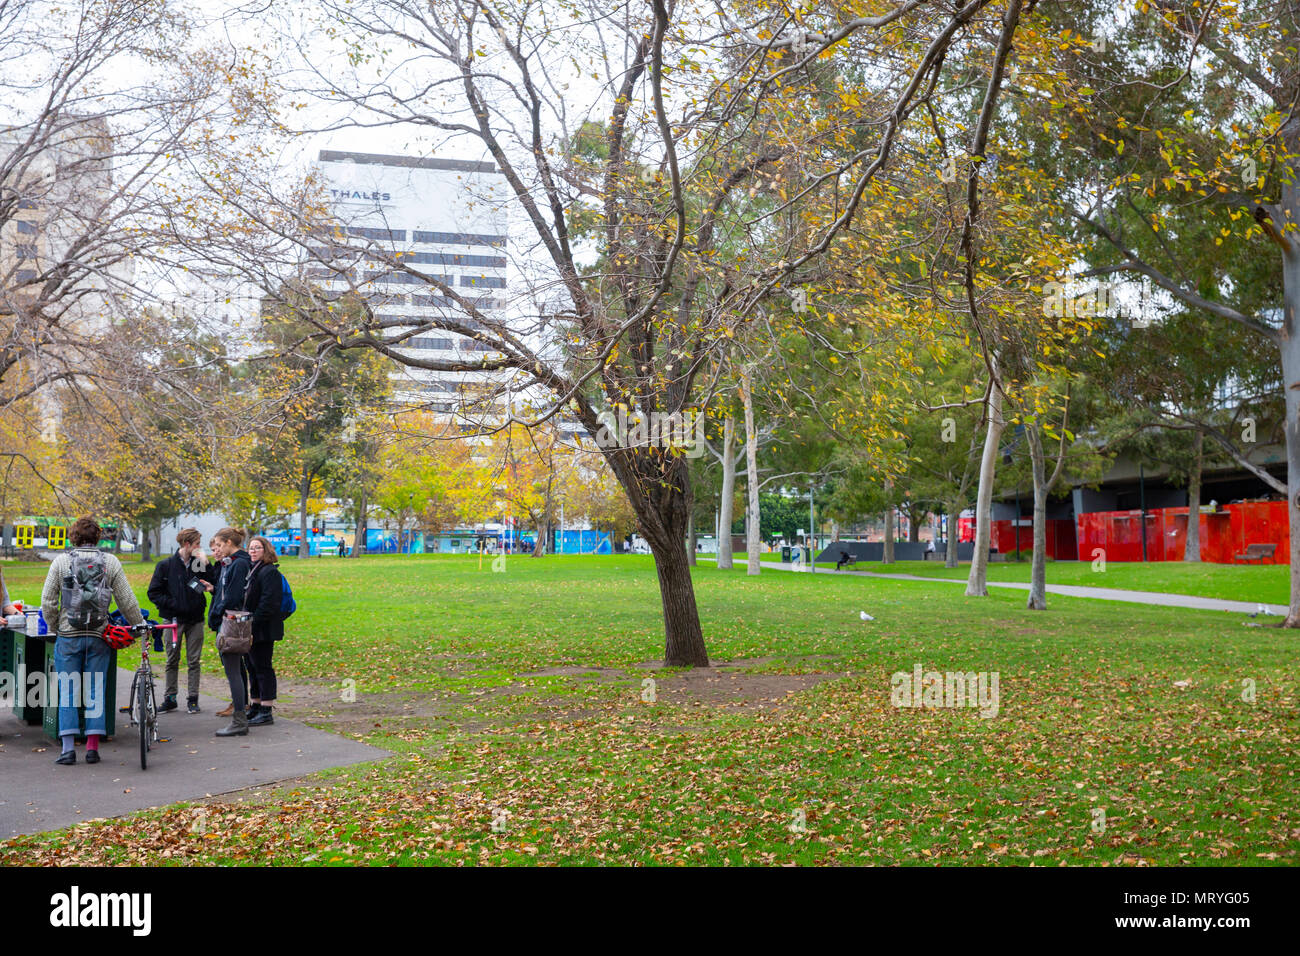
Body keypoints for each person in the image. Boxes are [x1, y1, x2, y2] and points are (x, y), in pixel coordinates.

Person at [41, 517, 145, 765]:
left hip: (68, 636)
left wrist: (56, 625)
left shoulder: (61, 561)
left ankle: (67, 750)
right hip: (99, 636)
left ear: (73, 537)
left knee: (67, 691)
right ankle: (92, 748)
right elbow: (126, 600)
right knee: (95, 689)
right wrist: (138, 624)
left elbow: (47, 601)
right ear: (97, 537)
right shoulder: (110, 562)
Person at [146, 528, 210, 714]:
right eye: (197, 543)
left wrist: (206, 562)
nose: (200, 547)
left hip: (195, 620)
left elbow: (212, 581)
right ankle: (170, 697)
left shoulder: (198, 563)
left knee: (194, 661)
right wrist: (173, 604)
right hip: (173, 621)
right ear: (187, 544)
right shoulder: (166, 565)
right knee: (171, 660)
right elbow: (154, 592)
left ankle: (192, 698)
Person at [206, 527, 253, 736]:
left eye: (218, 544)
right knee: (233, 670)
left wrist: (217, 612)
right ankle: (240, 716)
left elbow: (232, 598)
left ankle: (240, 719)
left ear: (228, 542)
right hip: (226, 622)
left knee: (233, 671)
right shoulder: (231, 564)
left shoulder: (238, 564)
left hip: (232, 625)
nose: (216, 549)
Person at [241, 536, 285, 726]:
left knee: (263, 667)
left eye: (257, 548)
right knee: (252, 666)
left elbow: (269, 602)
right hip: (250, 626)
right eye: (250, 548)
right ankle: (256, 704)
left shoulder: (269, 572)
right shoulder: (253, 570)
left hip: (263, 628)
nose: (252, 551)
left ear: (266, 550)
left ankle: (266, 709)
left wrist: (253, 623)